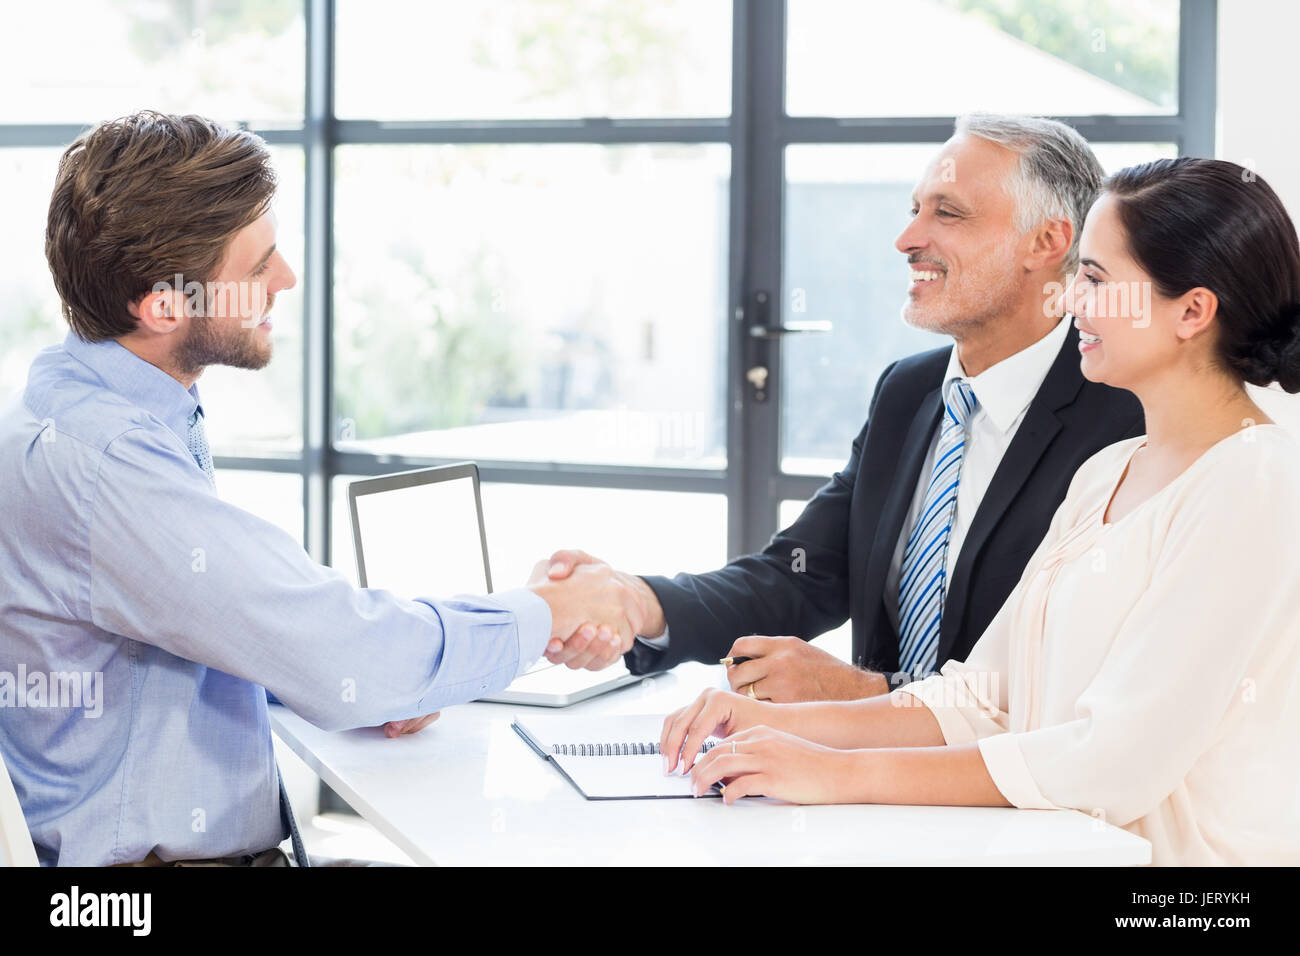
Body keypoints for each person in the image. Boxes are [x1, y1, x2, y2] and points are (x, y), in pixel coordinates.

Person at [0, 111, 625, 866]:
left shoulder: (74, 405)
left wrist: (357, 678)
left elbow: (260, 638)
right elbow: (341, 646)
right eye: (256, 267)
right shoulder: (108, 464)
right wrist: (549, 611)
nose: (286, 279)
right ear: (162, 305)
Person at [660, 157, 1300, 866]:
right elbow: (983, 699)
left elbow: (1112, 761)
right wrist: (784, 726)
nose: (1070, 300)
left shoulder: (1255, 480)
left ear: (1192, 311)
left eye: (1095, 280)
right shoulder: (1109, 472)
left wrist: (836, 772)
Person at [540, 114, 1143, 699]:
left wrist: (866, 694)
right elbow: (800, 576)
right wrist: (637, 602)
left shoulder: (1127, 416)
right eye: (914, 210)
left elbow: (1085, 682)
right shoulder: (908, 393)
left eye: (947, 213)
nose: (907, 240)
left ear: (1047, 242)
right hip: (863, 764)